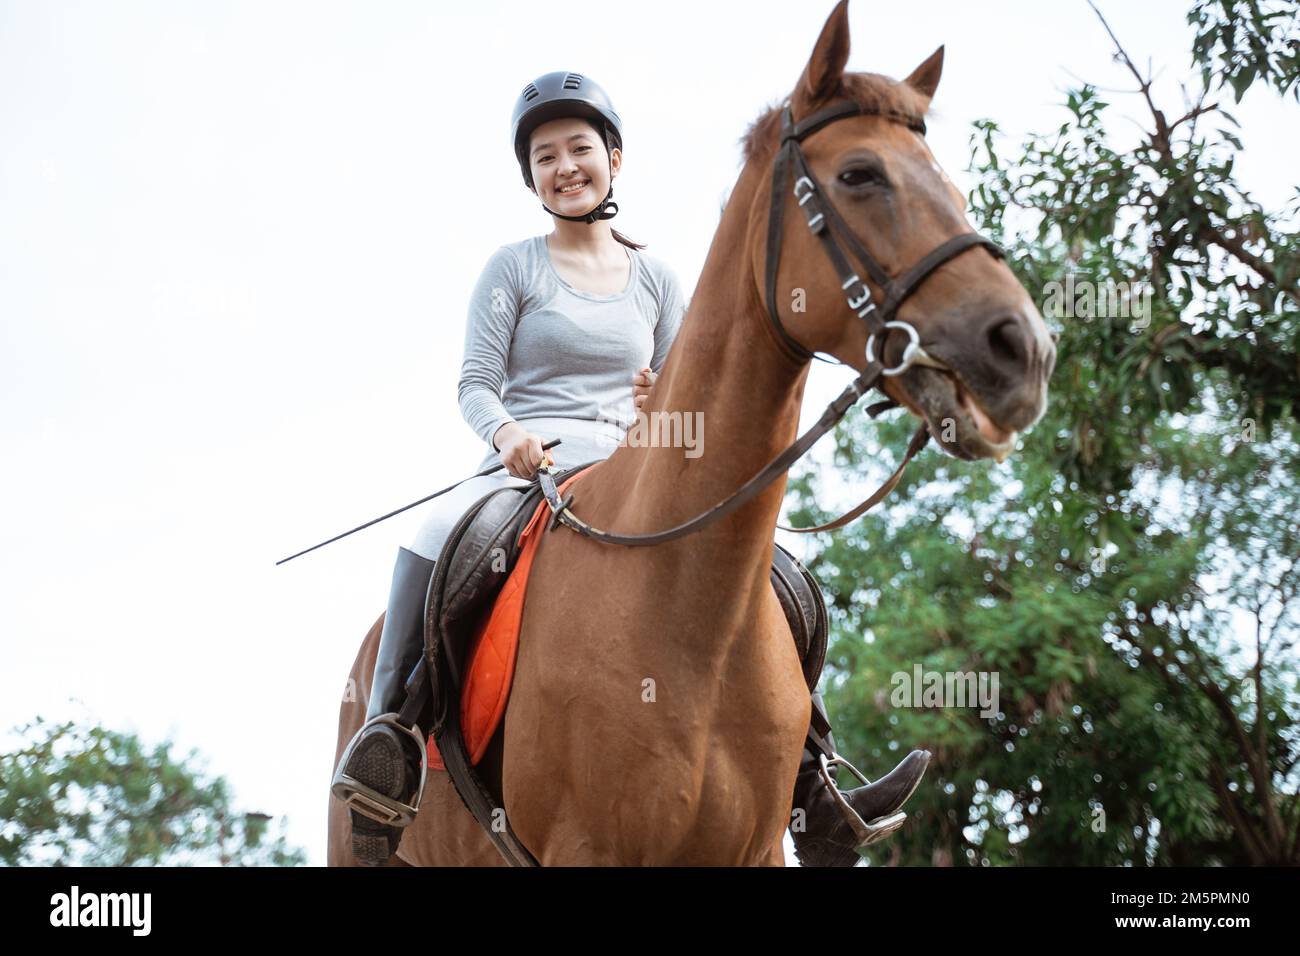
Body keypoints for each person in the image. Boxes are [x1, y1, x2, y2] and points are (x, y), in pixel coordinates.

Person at [331, 71, 929, 868]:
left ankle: (815, 774)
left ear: (614, 158)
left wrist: (660, 407)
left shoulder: (656, 278)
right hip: (528, 461)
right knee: (438, 529)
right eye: (546, 156)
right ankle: (392, 733)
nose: (565, 166)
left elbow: (696, 395)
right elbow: (475, 383)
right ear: (532, 177)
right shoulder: (513, 267)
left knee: (777, 568)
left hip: (633, 465)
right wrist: (507, 433)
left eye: (580, 148)